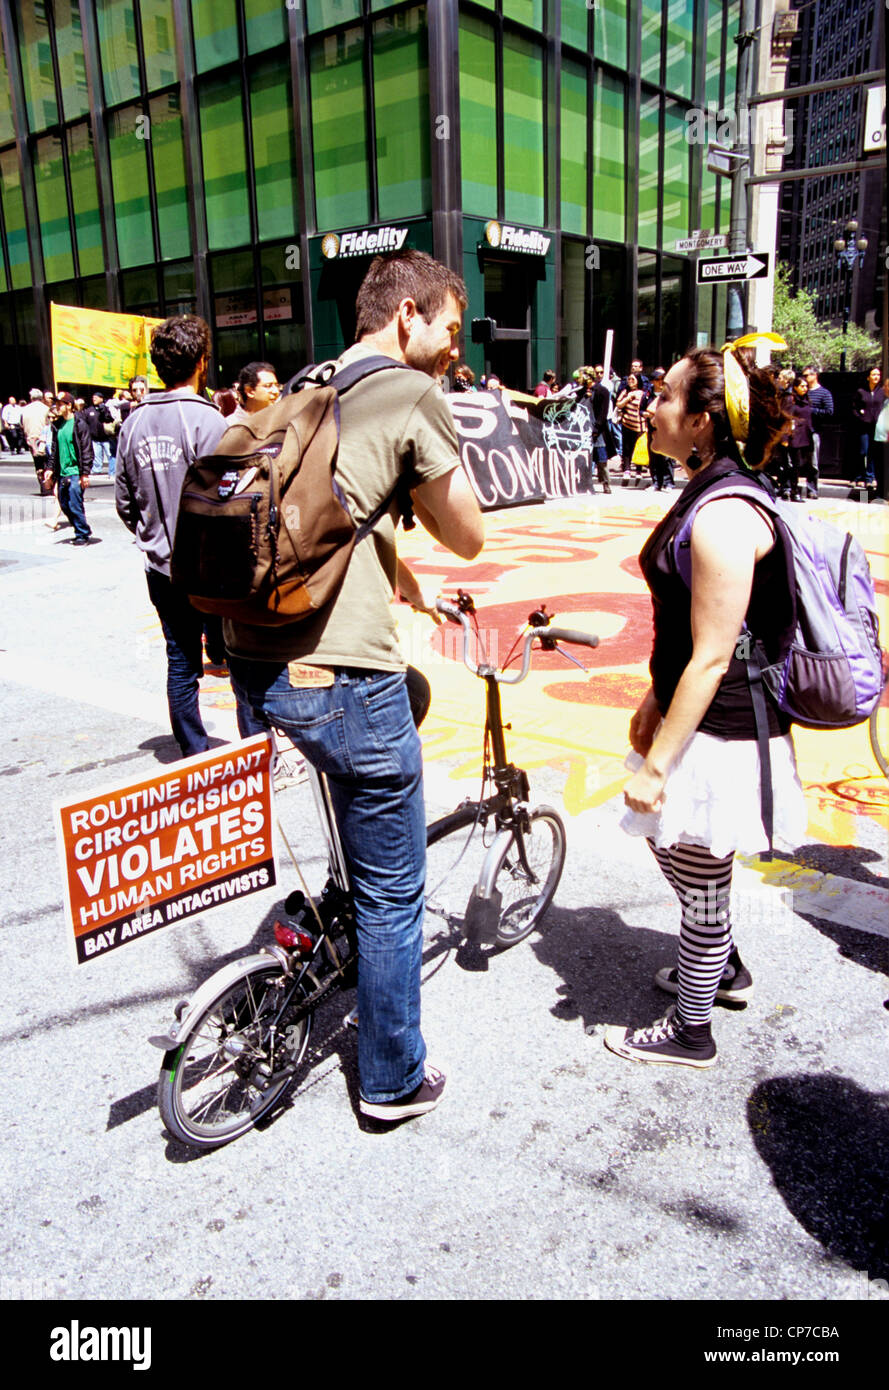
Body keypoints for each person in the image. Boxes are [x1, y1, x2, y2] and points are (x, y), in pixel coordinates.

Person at [226, 249, 485, 1124]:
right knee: (394, 890)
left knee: (360, 779)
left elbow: (336, 519)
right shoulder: (409, 395)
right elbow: (470, 536)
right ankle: (390, 1078)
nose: (456, 347)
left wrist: (402, 584)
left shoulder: (308, 383)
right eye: (451, 328)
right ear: (406, 314)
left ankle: (332, 920)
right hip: (344, 671)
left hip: (259, 658)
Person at [606, 339, 807, 1068]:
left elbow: (715, 652)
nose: (649, 405)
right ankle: (718, 966)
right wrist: (651, 699)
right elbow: (684, 630)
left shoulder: (724, 512)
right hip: (691, 712)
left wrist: (658, 764)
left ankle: (692, 1028)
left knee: (697, 870)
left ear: (701, 422)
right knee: (675, 849)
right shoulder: (705, 486)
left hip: (719, 729)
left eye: (665, 395)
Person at [115, 315, 229, 758]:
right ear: (202, 362)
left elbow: (124, 500)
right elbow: (231, 499)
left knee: (180, 659)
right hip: (210, 566)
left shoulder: (133, 423)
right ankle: (256, 749)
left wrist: (151, 534)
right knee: (235, 655)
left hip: (160, 565)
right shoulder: (208, 420)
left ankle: (193, 750)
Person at [47, 392, 95, 545]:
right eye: (56, 404)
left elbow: (87, 449)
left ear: (69, 405)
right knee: (64, 504)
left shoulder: (79, 423)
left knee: (75, 505)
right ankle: (81, 529)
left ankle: (82, 534)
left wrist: (85, 473)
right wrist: (50, 468)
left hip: (75, 472)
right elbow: (55, 449)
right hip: (62, 472)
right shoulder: (58, 425)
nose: (57, 407)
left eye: (60, 404)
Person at [801, 365, 833, 498]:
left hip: (813, 431)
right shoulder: (802, 391)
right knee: (796, 462)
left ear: (815, 376)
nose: (805, 378)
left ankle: (812, 489)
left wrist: (811, 410)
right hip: (799, 431)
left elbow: (829, 411)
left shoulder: (824, 393)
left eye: (807, 375)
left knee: (813, 462)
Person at [852, 366, 885, 490]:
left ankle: (870, 478)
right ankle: (860, 477)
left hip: (877, 427)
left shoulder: (882, 392)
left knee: (873, 452)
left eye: (878, 374)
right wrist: (861, 415)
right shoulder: (861, 391)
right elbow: (854, 408)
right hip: (863, 426)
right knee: (863, 451)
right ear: (868, 377)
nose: (876, 376)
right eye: (873, 374)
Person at [641, 368, 673, 490]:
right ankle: (656, 482)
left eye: (662, 379)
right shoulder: (647, 394)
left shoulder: (668, 395)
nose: (660, 382)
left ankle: (668, 483)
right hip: (652, 429)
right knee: (654, 457)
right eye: (658, 379)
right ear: (653, 381)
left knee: (667, 457)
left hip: (666, 429)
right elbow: (641, 410)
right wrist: (645, 414)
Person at [787, 375, 814, 501]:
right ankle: (794, 491)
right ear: (795, 387)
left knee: (806, 464)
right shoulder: (791, 401)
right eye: (802, 386)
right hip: (796, 437)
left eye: (806, 386)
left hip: (807, 436)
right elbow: (787, 419)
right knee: (795, 465)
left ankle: (810, 490)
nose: (805, 388)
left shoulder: (807, 400)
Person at [615, 372, 645, 482]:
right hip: (627, 423)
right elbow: (618, 404)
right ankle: (627, 470)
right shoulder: (625, 392)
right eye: (629, 379)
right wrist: (628, 398)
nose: (630, 381)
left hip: (640, 425)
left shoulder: (643, 393)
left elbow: (645, 407)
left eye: (633, 379)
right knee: (627, 448)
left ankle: (638, 470)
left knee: (639, 448)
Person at [22, 388, 51, 493]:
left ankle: (43, 486)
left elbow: (21, 424)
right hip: (44, 440)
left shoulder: (24, 409)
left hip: (31, 440)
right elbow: (49, 423)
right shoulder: (46, 409)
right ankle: (49, 486)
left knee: (38, 464)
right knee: (48, 463)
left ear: (31, 397)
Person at [83, 391, 114, 476]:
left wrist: (104, 411)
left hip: (106, 437)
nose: (94, 399)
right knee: (97, 455)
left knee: (110, 454)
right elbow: (85, 422)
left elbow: (110, 419)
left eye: (96, 398)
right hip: (94, 438)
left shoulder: (106, 408)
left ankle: (113, 471)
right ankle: (97, 469)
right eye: (93, 398)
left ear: (101, 399)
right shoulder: (89, 410)